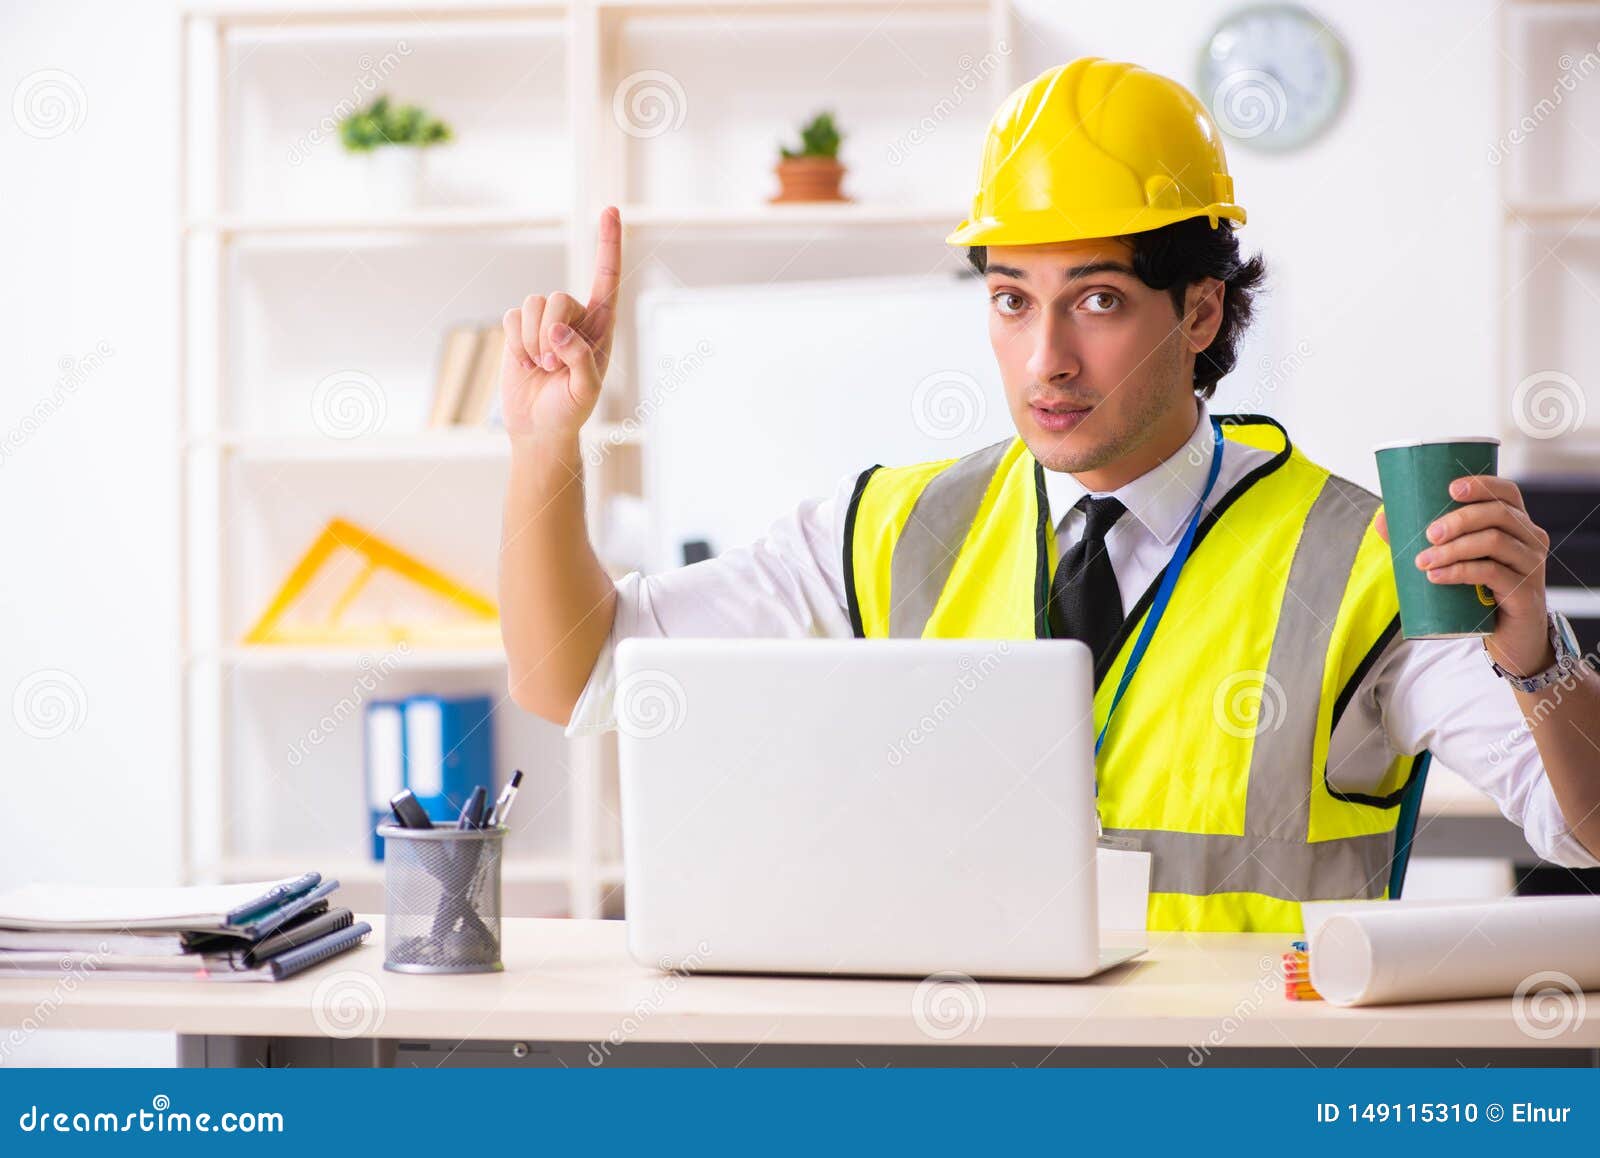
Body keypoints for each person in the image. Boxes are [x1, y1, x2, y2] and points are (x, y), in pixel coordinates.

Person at [496, 57, 1600, 932]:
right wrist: (544, 453)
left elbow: (1583, 828)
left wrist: (1537, 655)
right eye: (1013, 301)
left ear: (1201, 315)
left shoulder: (1364, 561)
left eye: (1100, 300)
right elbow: (573, 676)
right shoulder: (885, 527)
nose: (1046, 361)